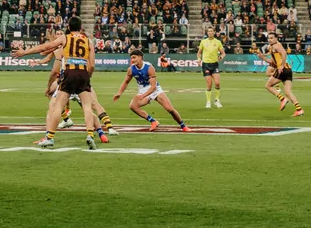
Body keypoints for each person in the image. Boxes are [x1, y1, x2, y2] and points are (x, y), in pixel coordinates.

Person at [15, 16, 107, 149]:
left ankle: (50, 137)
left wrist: (24, 52)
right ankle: (90, 135)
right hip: (83, 73)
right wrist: (88, 76)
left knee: (58, 105)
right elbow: (92, 64)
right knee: (87, 106)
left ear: (69, 27)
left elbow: (46, 46)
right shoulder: (88, 41)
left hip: (69, 72)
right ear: (81, 28)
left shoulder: (65, 38)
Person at [112, 49, 190, 132]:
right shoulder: (131, 69)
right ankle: (153, 121)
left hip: (155, 90)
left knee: (170, 109)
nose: (132, 60)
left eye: (134, 57)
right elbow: (126, 81)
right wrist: (119, 93)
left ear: (140, 57)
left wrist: (142, 96)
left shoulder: (149, 67)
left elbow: (153, 87)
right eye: (131, 58)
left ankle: (183, 126)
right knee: (133, 106)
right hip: (143, 90)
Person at [256, 32, 303, 117]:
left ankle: (282, 99)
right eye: (269, 38)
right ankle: (299, 109)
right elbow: (272, 63)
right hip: (288, 70)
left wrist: (281, 65)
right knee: (288, 92)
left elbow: (284, 53)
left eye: (271, 38)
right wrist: (263, 57)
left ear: (276, 38)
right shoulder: (273, 47)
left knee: (268, 86)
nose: (270, 40)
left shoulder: (276, 46)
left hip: (283, 69)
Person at [197, 26, 225, 108]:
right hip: (206, 65)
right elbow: (199, 53)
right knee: (209, 83)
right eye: (208, 31)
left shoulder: (218, 42)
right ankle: (208, 101)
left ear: (214, 32)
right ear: (207, 33)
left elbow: (223, 53)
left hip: (214, 64)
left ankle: (217, 100)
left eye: (211, 31)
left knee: (217, 83)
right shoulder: (203, 42)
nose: (210, 32)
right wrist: (199, 59)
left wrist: (221, 57)